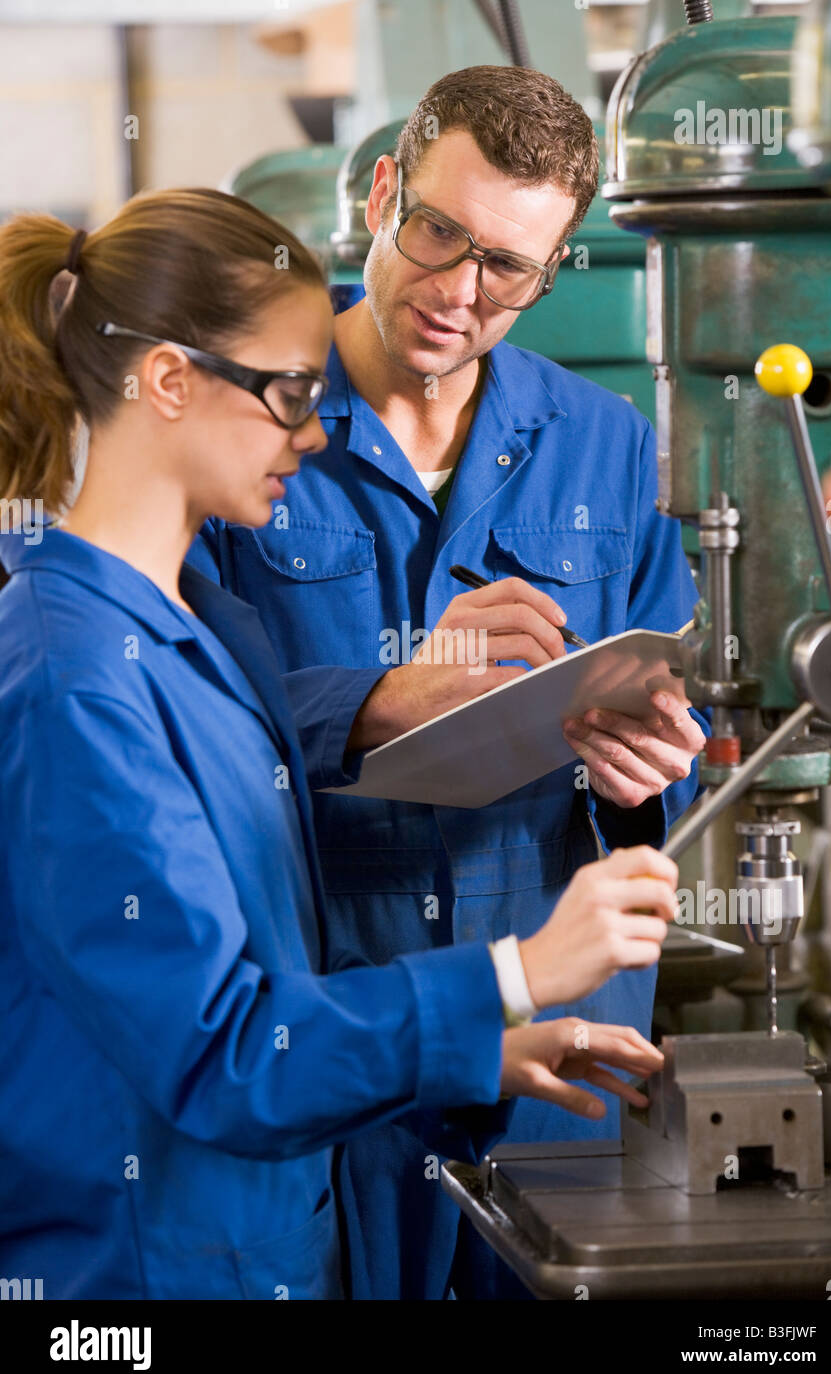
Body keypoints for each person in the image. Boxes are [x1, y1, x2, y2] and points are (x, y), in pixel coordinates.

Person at [0, 188, 679, 1300]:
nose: (313, 434)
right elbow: (225, 1051)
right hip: (139, 1276)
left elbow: (269, 965)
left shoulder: (199, 639)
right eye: (286, 392)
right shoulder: (73, 678)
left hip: (261, 1238)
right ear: (167, 380)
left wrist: (481, 1047)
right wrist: (523, 972)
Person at [190, 67, 709, 1300]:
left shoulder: (604, 440)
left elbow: (662, 691)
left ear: (549, 271)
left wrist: (648, 764)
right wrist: (382, 694)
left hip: (561, 1042)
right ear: (381, 191)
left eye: (508, 270)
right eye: (438, 235)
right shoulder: (247, 405)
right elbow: (175, 708)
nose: (458, 293)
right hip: (330, 1014)